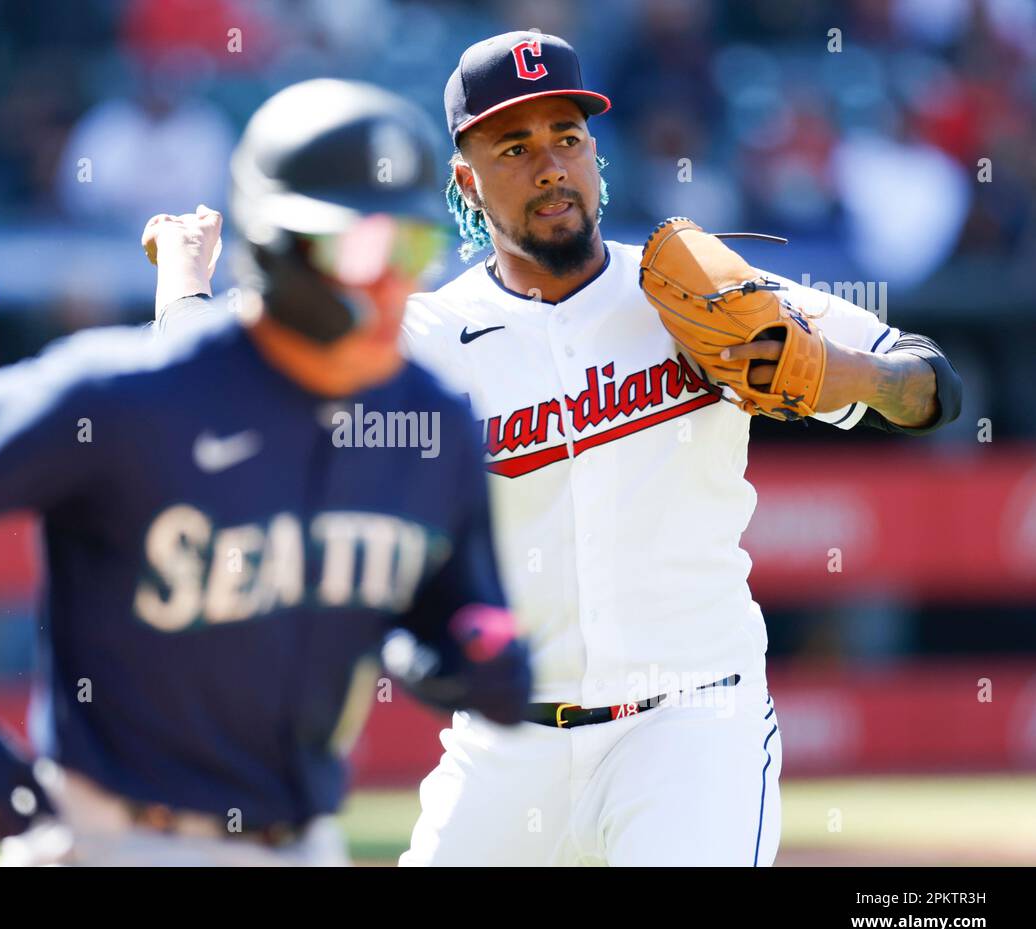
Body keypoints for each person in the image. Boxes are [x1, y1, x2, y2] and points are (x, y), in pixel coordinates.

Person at [0, 78, 530, 867]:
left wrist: (466, 649)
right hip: (115, 840)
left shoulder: (431, 417)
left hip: (302, 843)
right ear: (274, 245)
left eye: (410, 248)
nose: (389, 282)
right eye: (359, 247)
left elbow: (464, 613)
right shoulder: (128, 397)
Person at [389, 31, 963, 866]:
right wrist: (186, 291)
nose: (550, 165)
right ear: (466, 181)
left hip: (693, 723)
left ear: (596, 154)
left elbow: (933, 387)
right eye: (515, 146)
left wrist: (832, 370)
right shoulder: (426, 340)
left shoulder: (697, 294)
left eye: (569, 138)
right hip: (508, 739)